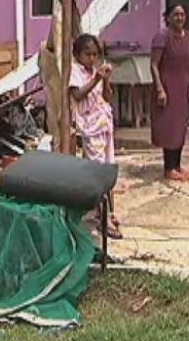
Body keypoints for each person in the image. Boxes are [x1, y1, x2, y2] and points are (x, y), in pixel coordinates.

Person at [69, 33, 121, 238]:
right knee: (98, 172)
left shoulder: (95, 72)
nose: (91, 58)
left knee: (108, 169)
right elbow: (77, 95)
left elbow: (106, 97)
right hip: (90, 127)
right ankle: (103, 218)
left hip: (104, 124)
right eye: (87, 54)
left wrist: (105, 80)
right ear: (77, 54)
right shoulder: (76, 72)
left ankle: (107, 213)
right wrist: (96, 78)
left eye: (94, 55)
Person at [150, 4, 189, 181]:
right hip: (167, 87)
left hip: (183, 88)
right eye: (175, 14)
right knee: (169, 127)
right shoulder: (162, 36)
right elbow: (154, 64)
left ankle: (177, 165)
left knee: (180, 127)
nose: (179, 18)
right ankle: (168, 168)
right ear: (168, 17)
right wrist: (159, 89)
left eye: (182, 14)